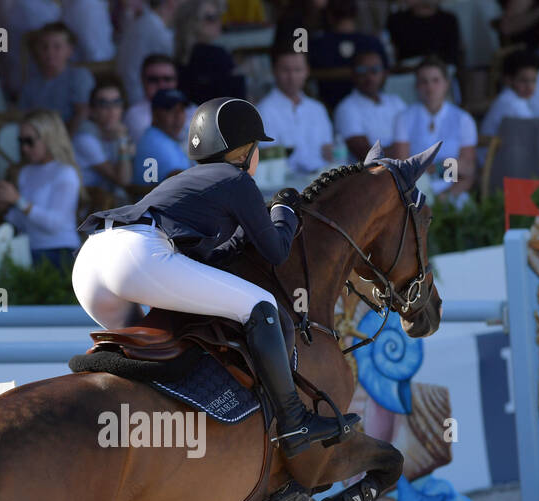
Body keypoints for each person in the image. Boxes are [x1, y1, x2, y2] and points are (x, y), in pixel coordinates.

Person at [73, 96, 359, 461]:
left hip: (92, 262)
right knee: (262, 305)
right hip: (136, 255)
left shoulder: (187, 180)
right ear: (245, 151)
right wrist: (285, 210)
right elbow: (276, 252)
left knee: (157, 350)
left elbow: (204, 261)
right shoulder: (236, 179)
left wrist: (250, 231)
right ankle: (294, 420)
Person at [0, 109, 81, 269]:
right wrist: (5, 207)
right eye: (21, 141)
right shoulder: (26, 171)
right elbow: (26, 224)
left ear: (48, 139)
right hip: (30, 248)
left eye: (29, 141)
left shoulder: (65, 173)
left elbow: (54, 224)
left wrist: (18, 201)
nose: (24, 148)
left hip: (60, 251)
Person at [389, 57, 475, 204]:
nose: (430, 87)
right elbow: (403, 171)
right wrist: (445, 166)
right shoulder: (404, 118)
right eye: (424, 81)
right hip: (415, 193)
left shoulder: (463, 119)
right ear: (416, 86)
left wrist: (445, 196)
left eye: (436, 80)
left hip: (453, 193)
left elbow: (468, 170)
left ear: (446, 84)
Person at [256, 48, 334, 174]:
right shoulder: (262, 111)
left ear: (307, 71)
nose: (292, 77)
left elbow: (328, 152)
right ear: (274, 71)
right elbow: (269, 159)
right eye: (285, 70)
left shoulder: (317, 109)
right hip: (286, 185)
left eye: (298, 70)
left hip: (322, 181)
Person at [309, 0, 389, 112]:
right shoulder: (372, 42)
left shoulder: (316, 44)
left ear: (329, 16)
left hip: (326, 107)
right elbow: (386, 72)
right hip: (368, 107)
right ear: (356, 14)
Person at [20, 21, 95, 134]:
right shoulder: (30, 85)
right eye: (44, 47)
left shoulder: (79, 76)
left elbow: (83, 112)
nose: (49, 52)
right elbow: (23, 117)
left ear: (69, 50)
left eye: (57, 47)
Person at [333, 48, 405, 162]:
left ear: (384, 73)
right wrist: (406, 148)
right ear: (353, 73)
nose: (369, 76)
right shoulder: (346, 108)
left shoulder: (396, 101)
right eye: (362, 70)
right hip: (370, 176)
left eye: (375, 70)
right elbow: (370, 157)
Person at [174, 0, 244, 105]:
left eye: (219, 16)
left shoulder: (179, 56)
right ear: (192, 21)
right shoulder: (218, 55)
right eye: (211, 18)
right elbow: (238, 97)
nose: (218, 22)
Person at [73, 77, 135, 194]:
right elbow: (123, 180)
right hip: (85, 205)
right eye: (103, 104)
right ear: (92, 110)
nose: (111, 110)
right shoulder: (85, 138)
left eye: (116, 103)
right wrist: (123, 141)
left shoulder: (117, 131)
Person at [116, 0, 178, 103]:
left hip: (136, 93)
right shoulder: (154, 28)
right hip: (142, 98)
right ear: (171, 2)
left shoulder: (145, 22)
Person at [124, 54, 191, 145]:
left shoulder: (192, 109)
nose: (162, 85)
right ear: (143, 81)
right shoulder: (134, 114)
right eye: (153, 80)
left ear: (176, 81)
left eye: (167, 79)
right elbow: (154, 145)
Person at [134, 87, 191, 184]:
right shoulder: (154, 142)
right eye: (171, 110)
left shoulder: (162, 137)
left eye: (181, 109)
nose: (178, 116)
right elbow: (181, 182)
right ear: (155, 114)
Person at [480, 48, 538, 138]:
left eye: (533, 80)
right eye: (523, 80)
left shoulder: (516, 99)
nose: (530, 87)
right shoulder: (511, 102)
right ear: (508, 80)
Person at [387, 0, 463, 68]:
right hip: (405, 73)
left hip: (441, 73)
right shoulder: (396, 21)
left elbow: (453, 56)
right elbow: (389, 55)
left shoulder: (449, 20)